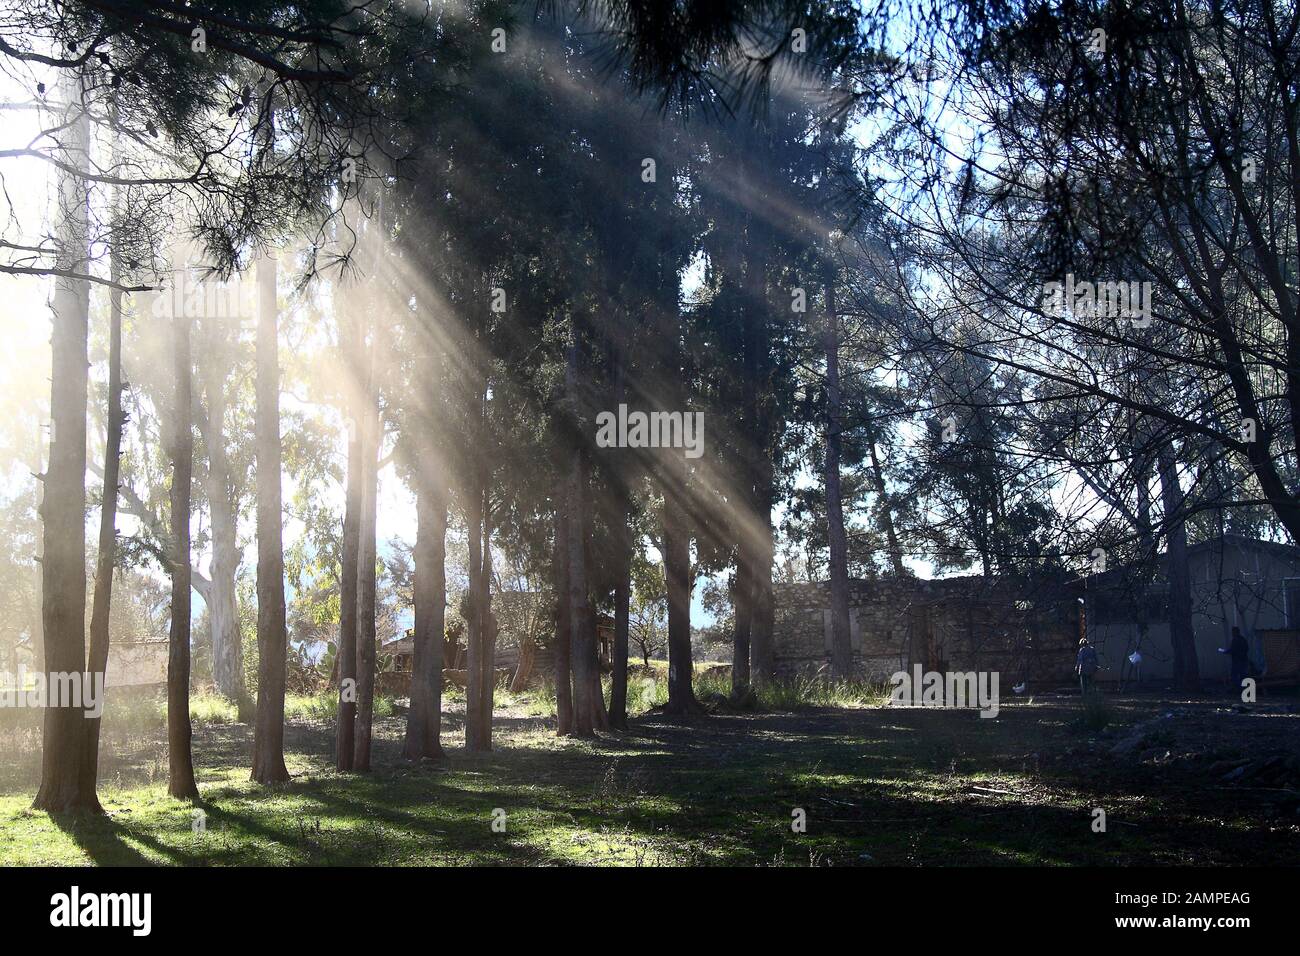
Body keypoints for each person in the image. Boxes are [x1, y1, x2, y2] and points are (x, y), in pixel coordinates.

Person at [1221, 626, 1250, 693]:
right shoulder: (1243, 639)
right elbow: (1247, 648)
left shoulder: (1235, 640)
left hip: (1237, 661)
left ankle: (1237, 689)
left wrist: (1225, 651)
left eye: (1233, 632)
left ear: (1234, 632)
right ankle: (1243, 689)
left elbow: (1233, 650)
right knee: (1243, 675)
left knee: (1234, 675)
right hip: (1244, 660)